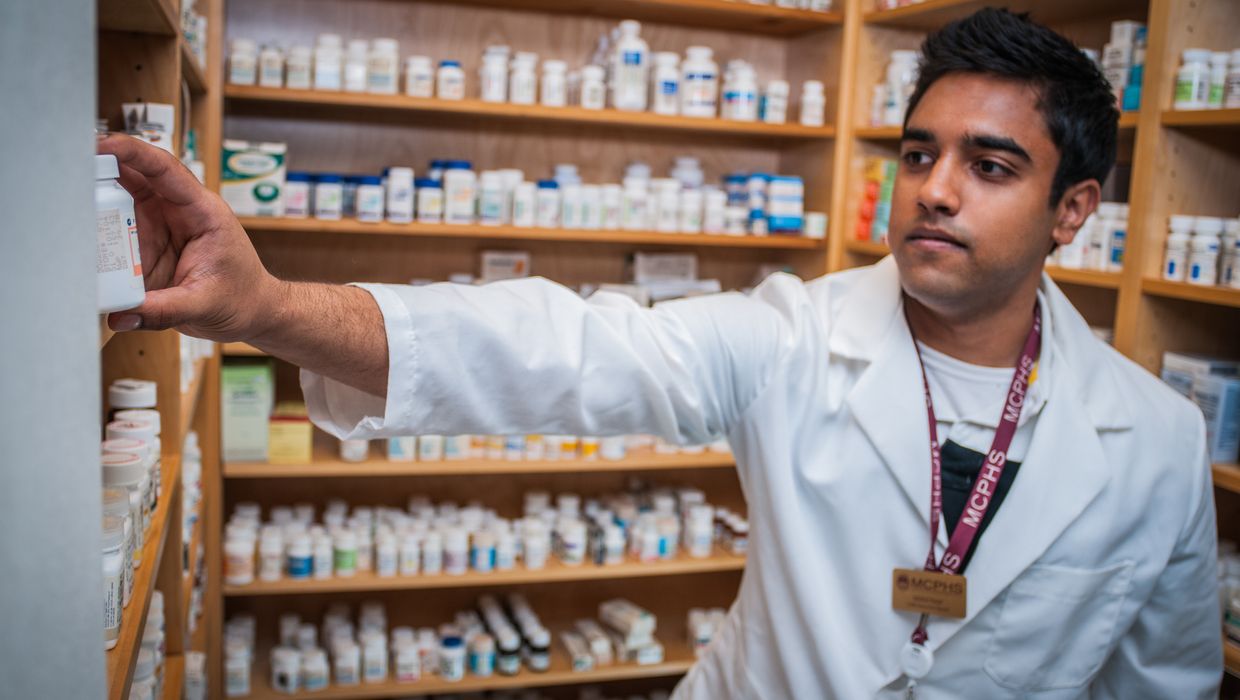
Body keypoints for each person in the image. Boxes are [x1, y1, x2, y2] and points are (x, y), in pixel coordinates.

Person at [100, 9, 1220, 698]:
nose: (931, 187)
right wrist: (267, 305)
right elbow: (560, 347)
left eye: (988, 165)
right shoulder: (791, 334)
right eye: (918, 150)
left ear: (1074, 209)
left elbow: (1158, 683)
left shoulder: (1158, 441)